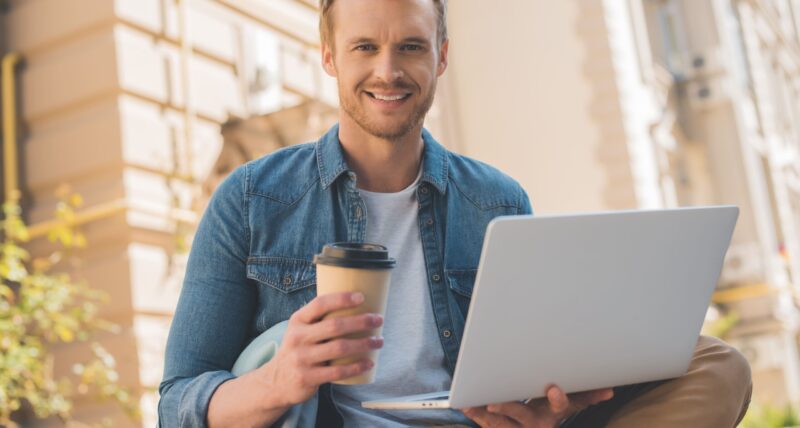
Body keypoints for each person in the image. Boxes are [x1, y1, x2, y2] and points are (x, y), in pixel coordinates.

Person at [158, 0, 753, 426]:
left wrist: (542, 406)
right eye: (364, 47)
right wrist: (279, 380)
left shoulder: (497, 201)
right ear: (329, 57)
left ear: (440, 57)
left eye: (410, 46)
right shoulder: (252, 199)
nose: (388, 71)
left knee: (715, 364)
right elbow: (177, 402)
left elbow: (528, 367)